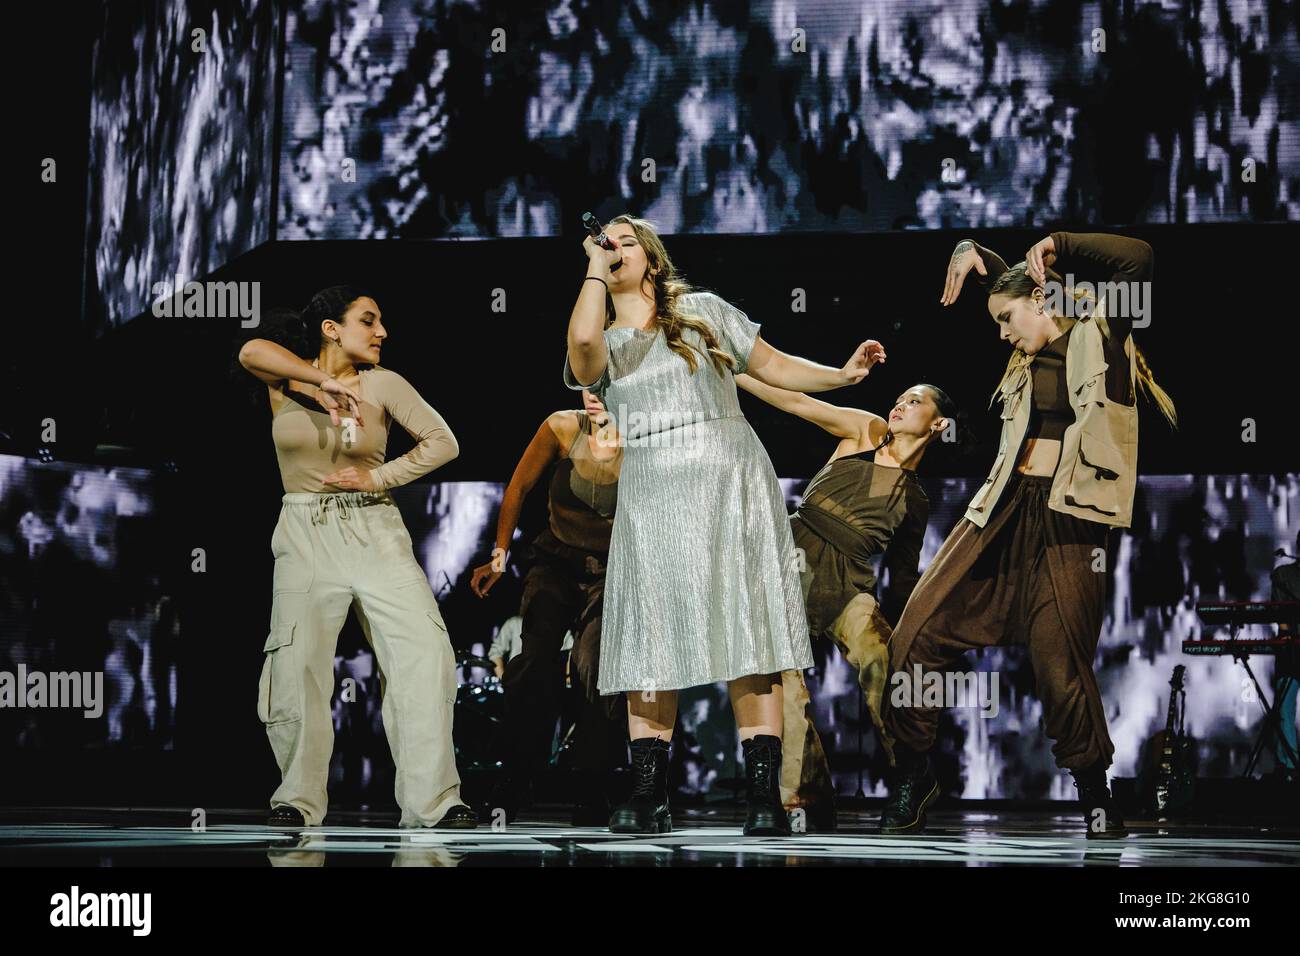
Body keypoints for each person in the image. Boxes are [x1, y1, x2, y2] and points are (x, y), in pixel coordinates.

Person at [563, 214, 883, 835]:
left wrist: (842, 375)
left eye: (628, 242)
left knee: (747, 625)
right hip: (653, 486)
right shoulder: (604, 335)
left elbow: (777, 367)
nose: (615, 250)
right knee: (651, 629)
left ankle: (762, 795)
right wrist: (593, 271)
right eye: (607, 244)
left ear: (652, 259)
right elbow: (579, 355)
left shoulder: (704, 311)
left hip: (729, 476)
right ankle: (650, 793)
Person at [878, 233, 1177, 838]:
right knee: (916, 633)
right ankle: (914, 771)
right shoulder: (1027, 341)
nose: (1001, 334)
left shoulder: (1103, 330)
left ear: (1043, 300)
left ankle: (1096, 792)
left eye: (1006, 319)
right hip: (1001, 508)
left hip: (1071, 520)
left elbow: (1139, 259)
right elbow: (1012, 281)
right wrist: (974, 251)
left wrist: (1062, 244)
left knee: (1059, 661)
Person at [237, 286, 476, 829]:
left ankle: (435, 803)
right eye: (368, 320)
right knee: (295, 664)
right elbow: (250, 351)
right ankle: (296, 800)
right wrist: (321, 382)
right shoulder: (289, 379)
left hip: (374, 526)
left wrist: (379, 475)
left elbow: (443, 442)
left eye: (381, 322)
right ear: (330, 328)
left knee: (425, 654)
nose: (381, 332)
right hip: (305, 530)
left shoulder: (382, 384)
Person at [735, 373, 956, 831]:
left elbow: (902, 578)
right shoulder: (866, 431)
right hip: (789, 565)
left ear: (938, 425)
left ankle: (911, 772)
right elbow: (795, 399)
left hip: (848, 584)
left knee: (881, 657)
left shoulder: (915, 498)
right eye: (898, 397)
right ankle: (806, 800)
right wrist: (736, 369)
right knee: (786, 692)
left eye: (913, 400)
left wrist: (916, 633)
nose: (899, 406)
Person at [469, 389, 626, 825]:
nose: (593, 395)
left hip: (613, 570)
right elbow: (519, 487)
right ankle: (517, 777)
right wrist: (498, 557)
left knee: (595, 665)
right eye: (587, 384)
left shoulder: (643, 435)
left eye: (605, 384)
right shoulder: (561, 426)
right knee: (534, 661)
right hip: (555, 563)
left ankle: (592, 784)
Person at [1268, 529, 1300, 784]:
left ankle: (1289, 766)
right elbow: (1282, 623)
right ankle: (1289, 767)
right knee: (1284, 711)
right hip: (1291, 652)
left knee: (1284, 711)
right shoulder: (1283, 575)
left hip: (1291, 651)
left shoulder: (1284, 575)